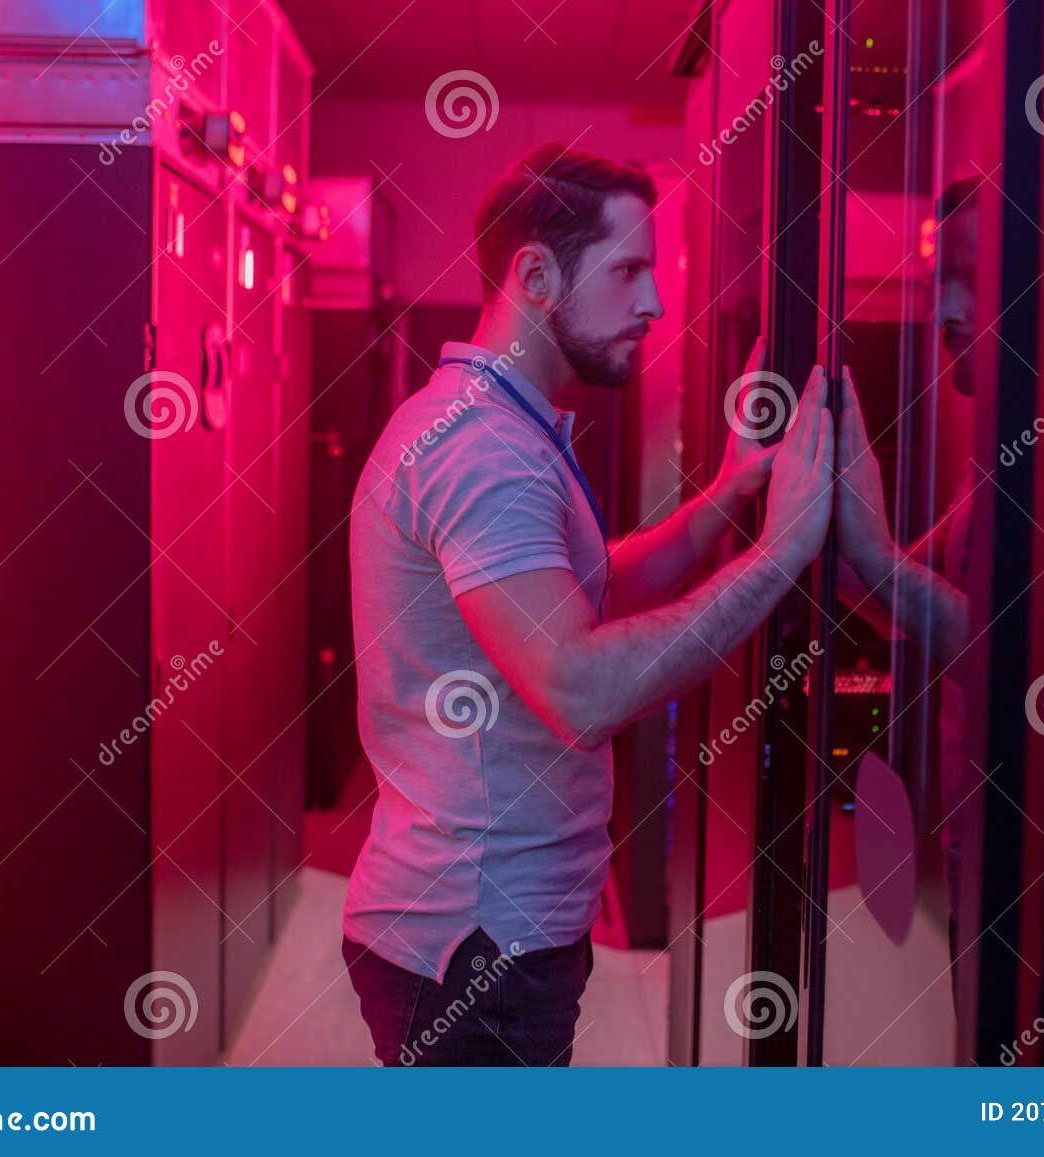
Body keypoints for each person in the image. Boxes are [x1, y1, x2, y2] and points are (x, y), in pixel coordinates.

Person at [342, 142, 834, 1065]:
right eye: (628, 271)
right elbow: (578, 688)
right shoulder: (482, 450)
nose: (653, 302)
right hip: (474, 940)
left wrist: (726, 495)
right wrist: (779, 558)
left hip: (493, 924)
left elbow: (581, 584)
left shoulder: (496, 423)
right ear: (534, 275)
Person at [835, 177, 981, 994]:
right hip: (969, 860)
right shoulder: (991, 459)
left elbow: (1009, 658)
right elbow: (883, 587)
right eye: (938, 285)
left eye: (971, 280)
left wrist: (876, 556)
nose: (945, 311)